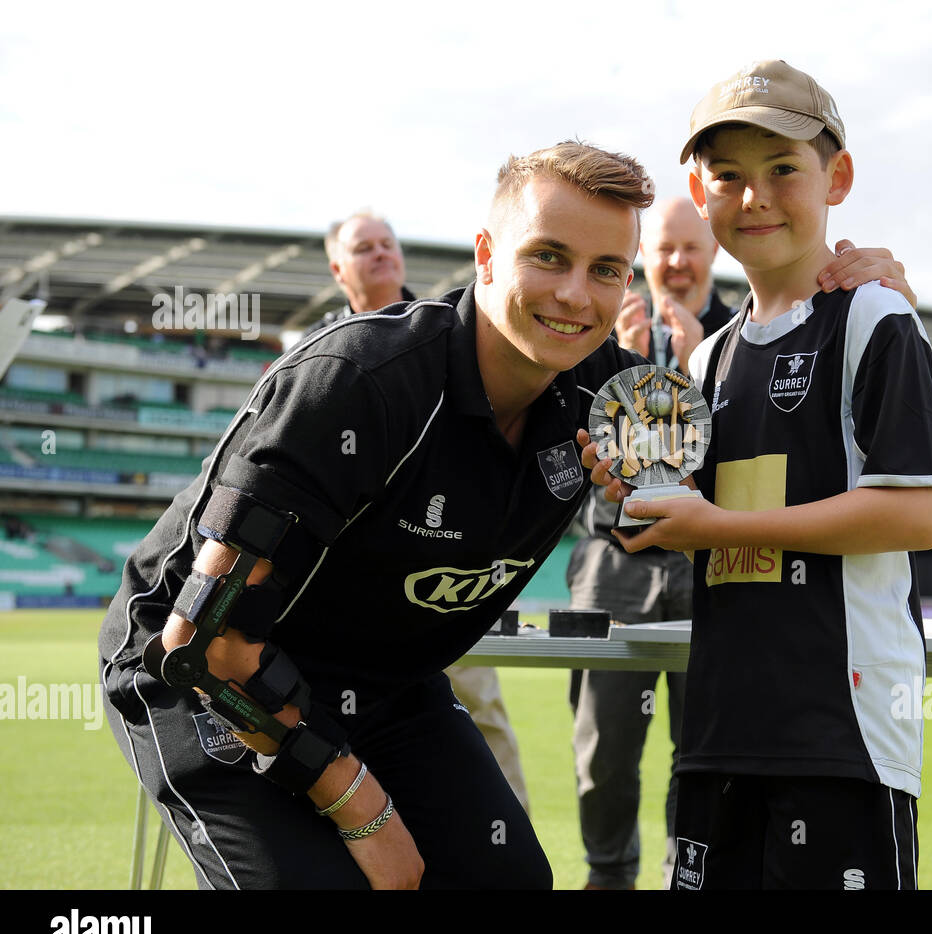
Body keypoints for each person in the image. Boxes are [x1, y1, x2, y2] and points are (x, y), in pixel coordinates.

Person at [98, 140, 656, 889]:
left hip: (385, 680)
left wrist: (846, 286)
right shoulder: (356, 382)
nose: (576, 296)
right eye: (549, 257)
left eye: (607, 270)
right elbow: (204, 642)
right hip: (201, 672)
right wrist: (365, 809)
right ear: (487, 254)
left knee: (510, 880)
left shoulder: (610, 395)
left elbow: (742, 438)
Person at [584, 60, 932, 889]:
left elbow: (916, 515)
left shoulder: (875, 317)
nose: (754, 198)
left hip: (841, 741)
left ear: (839, 177)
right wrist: (639, 506)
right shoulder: (709, 359)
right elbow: (707, 533)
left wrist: (719, 527)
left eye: (783, 169)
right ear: (700, 188)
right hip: (718, 739)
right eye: (729, 177)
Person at [307, 210, 532, 813]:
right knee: (338, 721)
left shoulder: (450, 333)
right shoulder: (309, 351)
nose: (381, 254)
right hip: (338, 580)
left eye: (388, 244)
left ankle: (507, 850)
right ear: (337, 268)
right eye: (364, 248)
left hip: (444, 564)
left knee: (479, 707)